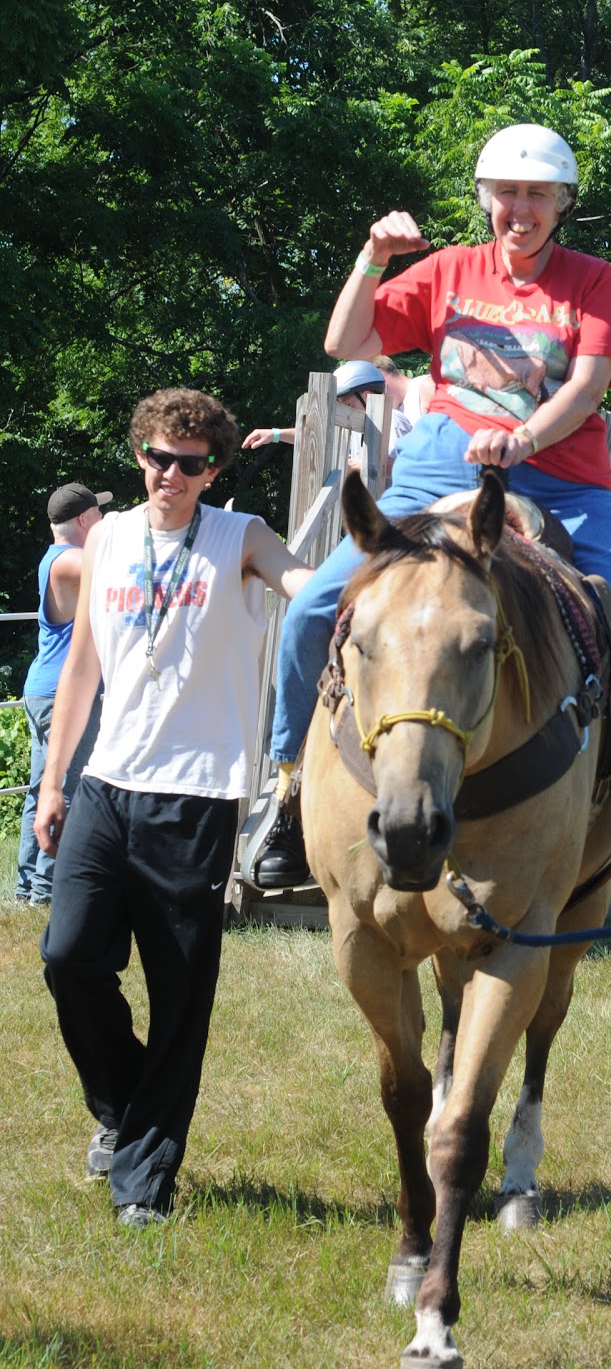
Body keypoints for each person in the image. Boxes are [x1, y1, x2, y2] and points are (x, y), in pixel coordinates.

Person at [251, 121, 611, 888]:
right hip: (432, 479)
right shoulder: (447, 271)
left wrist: (522, 439)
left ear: (563, 203)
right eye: (506, 192)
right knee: (308, 612)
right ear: (485, 198)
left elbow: (587, 387)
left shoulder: (592, 280)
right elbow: (346, 342)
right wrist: (373, 257)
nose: (520, 208)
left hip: (562, 482)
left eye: (537, 194)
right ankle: (290, 791)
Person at [34, 389, 313, 1228]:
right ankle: (123, 1109)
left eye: (192, 464)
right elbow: (83, 665)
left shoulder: (240, 536)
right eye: (160, 458)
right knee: (69, 957)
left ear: (214, 469)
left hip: (197, 795)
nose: (172, 475)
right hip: (106, 784)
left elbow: (304, 583)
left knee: (180, 993)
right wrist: (53, 782)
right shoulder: (110, 539)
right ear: (139, 455)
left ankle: (143, 1182)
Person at [16, 483, 112, 907]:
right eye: (100, 514)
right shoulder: (71, 561)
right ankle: (45, 888)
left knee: (42, 788)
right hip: (63, 696)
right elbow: (119, 565)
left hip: (44, 690)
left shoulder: (54, 558)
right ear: (84, 519)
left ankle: (27, 886)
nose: (104, 521)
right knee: (65, 788)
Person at [241, 359, 408, 458]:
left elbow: (399, 468)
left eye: (348, 405)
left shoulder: (392, 420)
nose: (344, 410)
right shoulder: (357, 429)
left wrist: (353, 467)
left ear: (366, 395)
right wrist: (275, 434)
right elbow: (317, 434)